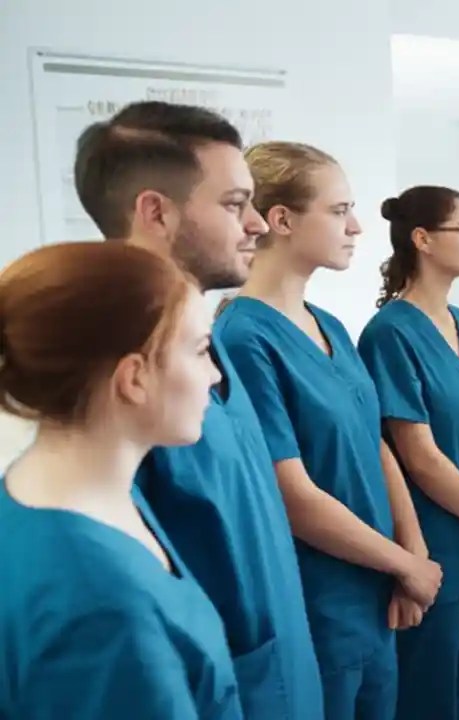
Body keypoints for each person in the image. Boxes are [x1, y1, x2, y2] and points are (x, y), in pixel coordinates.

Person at [73, 101, 325, 719]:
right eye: (235, 204)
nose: (260, 225)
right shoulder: (117, 381)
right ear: (155, 211)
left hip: (283, 674)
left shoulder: (205, 352)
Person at [218, 142, 442, 719]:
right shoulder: (244, 337)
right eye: (340, 211)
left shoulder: (331, 326)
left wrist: (412, 555)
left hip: (377, 595)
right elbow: (292, 495)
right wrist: (403, 565)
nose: (358, 226)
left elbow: (376, 445)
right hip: (322, 603)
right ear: (282, 220)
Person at [0, 242, 238, 718]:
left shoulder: (43, 490)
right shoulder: (104, 609)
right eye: (200, 350)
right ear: (134, 378)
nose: (214, 375)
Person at [357, 185, 459, 720]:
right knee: (430, 699)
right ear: (423, 239)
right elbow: (419, 455)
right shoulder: (390, 334)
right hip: (435, 543)